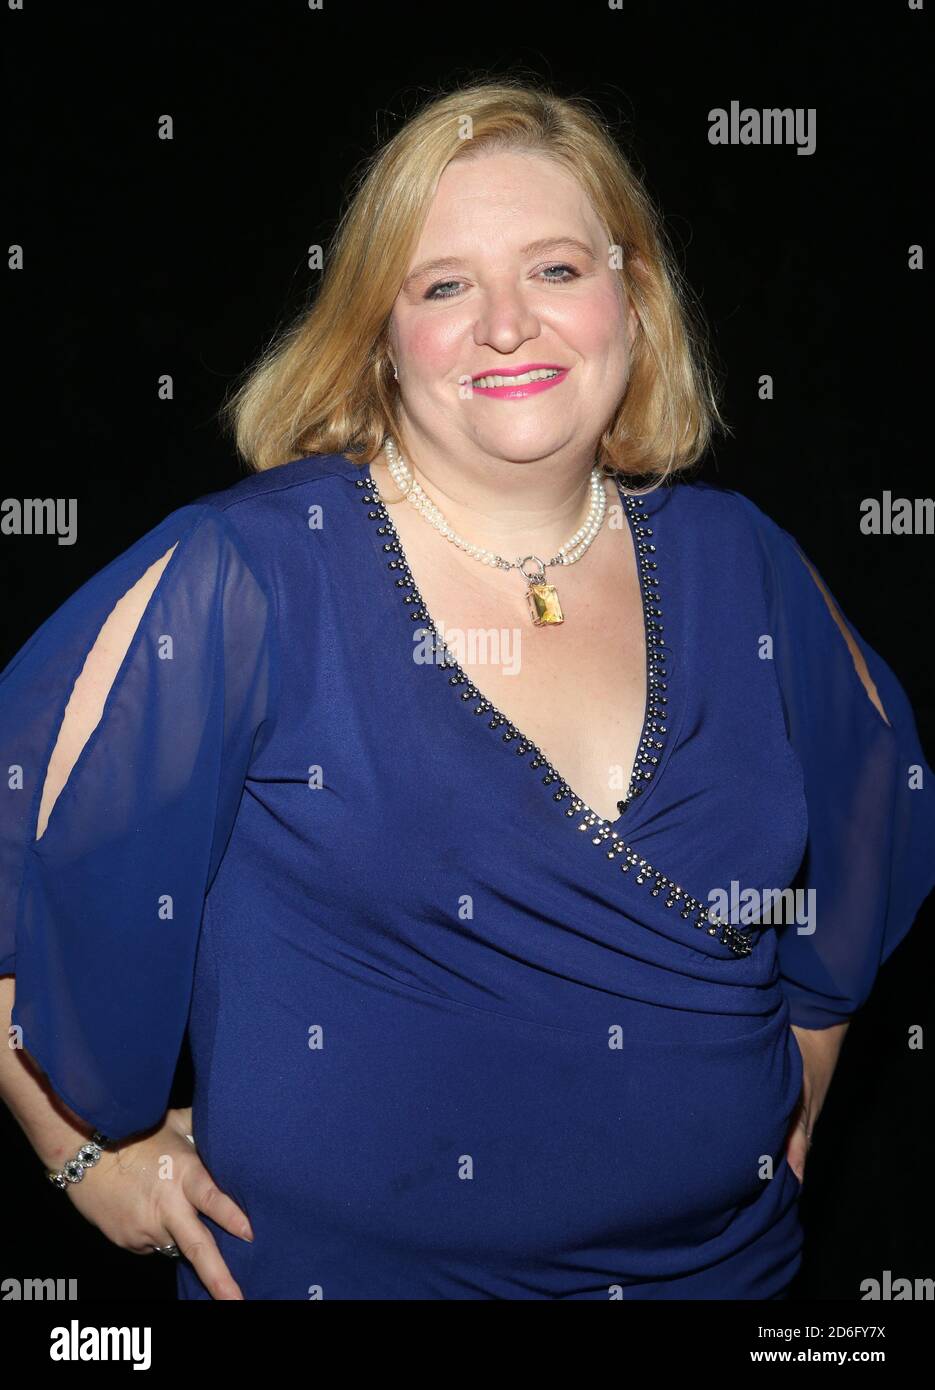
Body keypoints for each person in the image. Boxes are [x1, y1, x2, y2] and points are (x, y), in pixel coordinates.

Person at [1, 78, 933, 1302]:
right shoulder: (254, 575)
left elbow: (873, 816)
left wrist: (795, 1082)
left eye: (555, 269)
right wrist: (83, 1156)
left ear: (634, 300)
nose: (506, 324)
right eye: (443, 285)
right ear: (376, 336)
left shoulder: (741, 560)